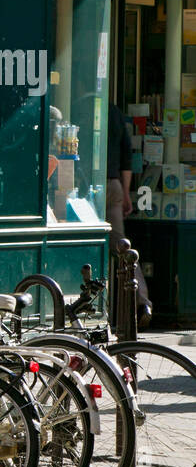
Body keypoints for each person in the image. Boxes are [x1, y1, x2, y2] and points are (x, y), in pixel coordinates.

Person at [107, 103, 151, 327]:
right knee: (122, 247)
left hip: (88, 184)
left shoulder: (79, 102)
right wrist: (125, 192)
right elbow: (126, 156)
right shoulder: (115, 112)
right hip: (112, 184)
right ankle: (142, 301)